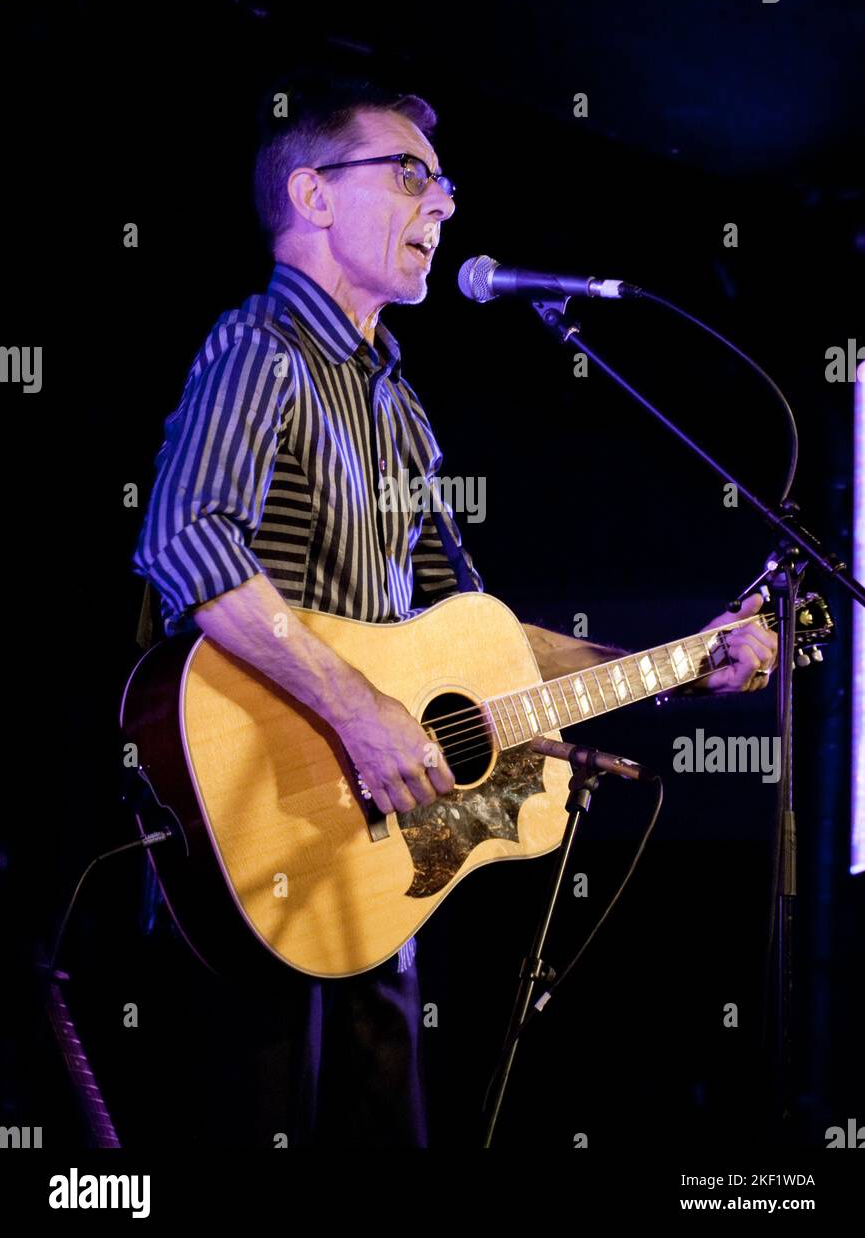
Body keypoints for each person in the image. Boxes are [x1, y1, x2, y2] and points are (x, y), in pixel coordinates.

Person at [131, 74, 778, 1147]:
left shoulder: (400, 404)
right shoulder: (261, 347)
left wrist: (675, 660)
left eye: (444, 185)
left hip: (376, 864)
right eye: (410, 176)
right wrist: (358, 713)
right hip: (258, 829)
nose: (441, 204)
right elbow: (184, 540)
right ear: (315, 196)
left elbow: (482, 635)